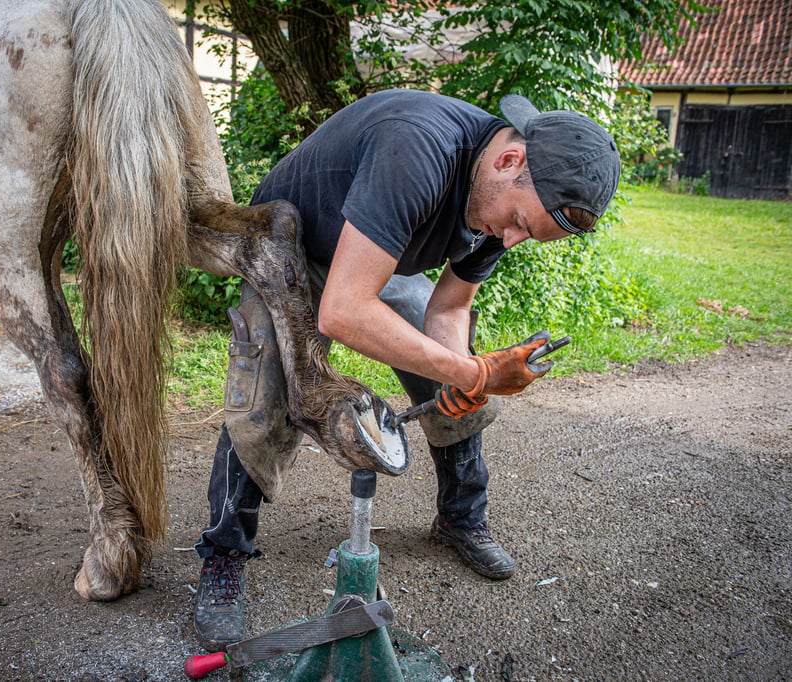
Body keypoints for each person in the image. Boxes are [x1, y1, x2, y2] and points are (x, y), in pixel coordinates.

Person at [191, 90, 621, 651]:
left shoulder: (500, 201)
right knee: (264, 396)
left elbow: (449, 307)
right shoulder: (417, 150)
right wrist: (474, 371)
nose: (511, 238)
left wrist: (464, 378)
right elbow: (344, 309)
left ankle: (461, 518)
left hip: (375, 256)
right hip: (286, 247)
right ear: (510, 162)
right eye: (517, 221)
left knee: (460, 383)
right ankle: (223, 557)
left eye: (528, 235)